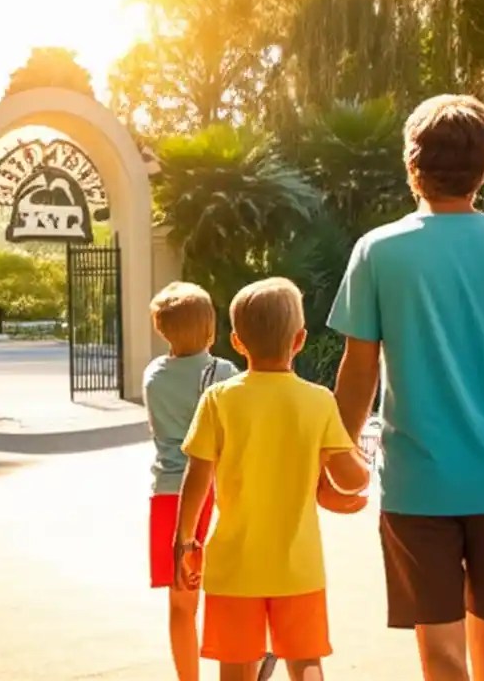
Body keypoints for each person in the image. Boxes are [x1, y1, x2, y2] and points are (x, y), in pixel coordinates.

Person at [329, 94, 484, 681]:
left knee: (441, 657)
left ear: (412, 165)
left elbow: (358, 370)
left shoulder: (378, 251)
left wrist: (334, 456)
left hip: (418, 487)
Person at [174, 278, 370, 681]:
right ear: (299, 339)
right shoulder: (318, 401)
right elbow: (349, 478)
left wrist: (184, 540)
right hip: (298, 566)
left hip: (234, 567)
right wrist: (364, 467)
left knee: (236, 666)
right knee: (305, 661)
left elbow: (197, 476)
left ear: (237, 341)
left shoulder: (219, 399)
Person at [144, 282, 239, 681]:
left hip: (169, 496)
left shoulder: (153, 376)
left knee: (181, 605)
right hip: (217, 493)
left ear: (162, 329)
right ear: (211, 330)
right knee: (229, 596)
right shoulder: (225, 374)